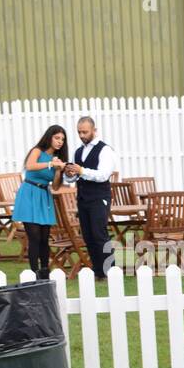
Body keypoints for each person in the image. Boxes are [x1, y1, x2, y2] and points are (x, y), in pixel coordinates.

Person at [62, 116, 118, 278]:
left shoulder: (105, 150)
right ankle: (98, 271)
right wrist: (70, 174)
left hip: (99, 197)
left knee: (99, 233)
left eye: (85, 132)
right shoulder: (78, 151)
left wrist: (81, 171)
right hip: (83, 198)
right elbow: (73, 178)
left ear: (94, 130)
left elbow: (103, 175)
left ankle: (110, 271)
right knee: (88, 235)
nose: (81, 135)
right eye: (79, 132)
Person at [11, 126, 68, 277]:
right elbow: (30, 166)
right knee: (34, 236)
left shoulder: (57, 159)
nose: (60, 142)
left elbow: (55, 186)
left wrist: (57, 170)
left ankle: (44, 271)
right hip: (29, 193)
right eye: (57, 138)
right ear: (49, 137)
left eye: (62, 139)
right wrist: (50, 164)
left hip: (44, 196)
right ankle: (33, 272)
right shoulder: (37, 151)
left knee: (44, 236)